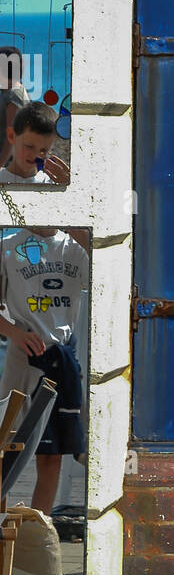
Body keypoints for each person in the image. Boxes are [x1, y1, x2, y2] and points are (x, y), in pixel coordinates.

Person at [0, 227, 89, 514]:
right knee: (5, 445)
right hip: (24, 353)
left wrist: (80, 228)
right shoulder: (9, 246)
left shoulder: (76, 247)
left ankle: (36, 533)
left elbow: (112, 278)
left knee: (52, 455)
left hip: (61, 355)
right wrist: (14, 333)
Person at [0, 101, 69, 185]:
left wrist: (68, 187)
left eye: (43, 150)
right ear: (11, 136)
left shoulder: (50, 184)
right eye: (29, 146)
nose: (35, 155)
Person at [0, 45, 30, 171]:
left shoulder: (15, 94)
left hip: (9, 165)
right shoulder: (8, 92)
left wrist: (0, 165)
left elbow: (12, 137)